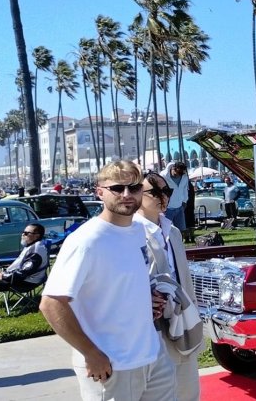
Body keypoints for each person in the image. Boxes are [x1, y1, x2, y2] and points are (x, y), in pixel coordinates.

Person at [40, 160, 175, 400]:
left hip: (152, 354)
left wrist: (146, 298)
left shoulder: (136, 231)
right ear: (99, 192)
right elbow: (51, 303)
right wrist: (90, 353)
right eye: (117, 188)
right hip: (111, 364)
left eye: (134, 188)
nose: (126, 194)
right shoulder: (86, 240)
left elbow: (119, 282)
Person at [136, 172, 202, 401]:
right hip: (151, 326)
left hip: (182, 320)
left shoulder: (172, 232)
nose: (162, 197)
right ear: (138, 194)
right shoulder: (133, 233)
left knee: (188, 390)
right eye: (154, 192)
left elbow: (184, 276)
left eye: (166, 191)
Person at [0, 222, 49, 295]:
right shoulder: (32, 246)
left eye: (26, 233)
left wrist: (2, 276)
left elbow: (22, 273)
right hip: (21, 278)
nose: (23, 234)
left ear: (37, 236)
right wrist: (3, 272)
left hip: (26, 282)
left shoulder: (36, 251)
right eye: (23, 232)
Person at [161, 161, 191, 233]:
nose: (179, 175)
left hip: (179, 207)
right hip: (167, 208)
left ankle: (179, 243)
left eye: (182, 173)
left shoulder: (184, 177)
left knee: (181, 230)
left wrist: (184, 201)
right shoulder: (163, 176)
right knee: (167, 230)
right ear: (173, 168)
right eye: (178, 173)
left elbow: (185, 189)